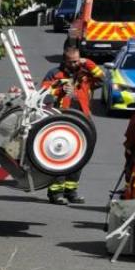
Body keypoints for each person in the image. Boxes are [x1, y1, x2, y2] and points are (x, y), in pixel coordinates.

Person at [40, 40, 102, 205]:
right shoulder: (55, 73)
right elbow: (43, 93)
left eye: (77, 60)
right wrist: (60, 90)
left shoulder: (85, 72)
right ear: (64, 60)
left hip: (82, 119)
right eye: (71, 61)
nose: (75, 64)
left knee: (79, 157)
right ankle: (55, 193)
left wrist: (87, 63)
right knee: (60, 155)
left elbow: (102, 78)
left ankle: (71, 191)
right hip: (62, 119)